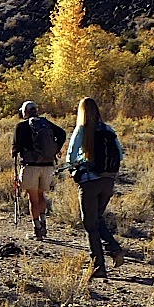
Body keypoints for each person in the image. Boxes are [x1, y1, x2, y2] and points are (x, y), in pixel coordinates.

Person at [66, 97, 124, 279]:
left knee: (89, 224)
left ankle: (99, 266)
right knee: (97, 219)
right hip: (108, 181)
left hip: (90, 182)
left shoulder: (82, 130)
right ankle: (113, 249)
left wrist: (79, 166)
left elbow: (71, 158)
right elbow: (120, 154)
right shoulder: (108, 129)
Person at [11, 101, 65, 240]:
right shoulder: (46, 124)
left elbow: (15, 149)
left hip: (31, 166)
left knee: (33, 199)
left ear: (25, 112)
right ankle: (43, 224)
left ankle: (37, 230)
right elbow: (62, 134)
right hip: (47, 166)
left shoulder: (21, 126)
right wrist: (55, 149)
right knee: (41, 196)